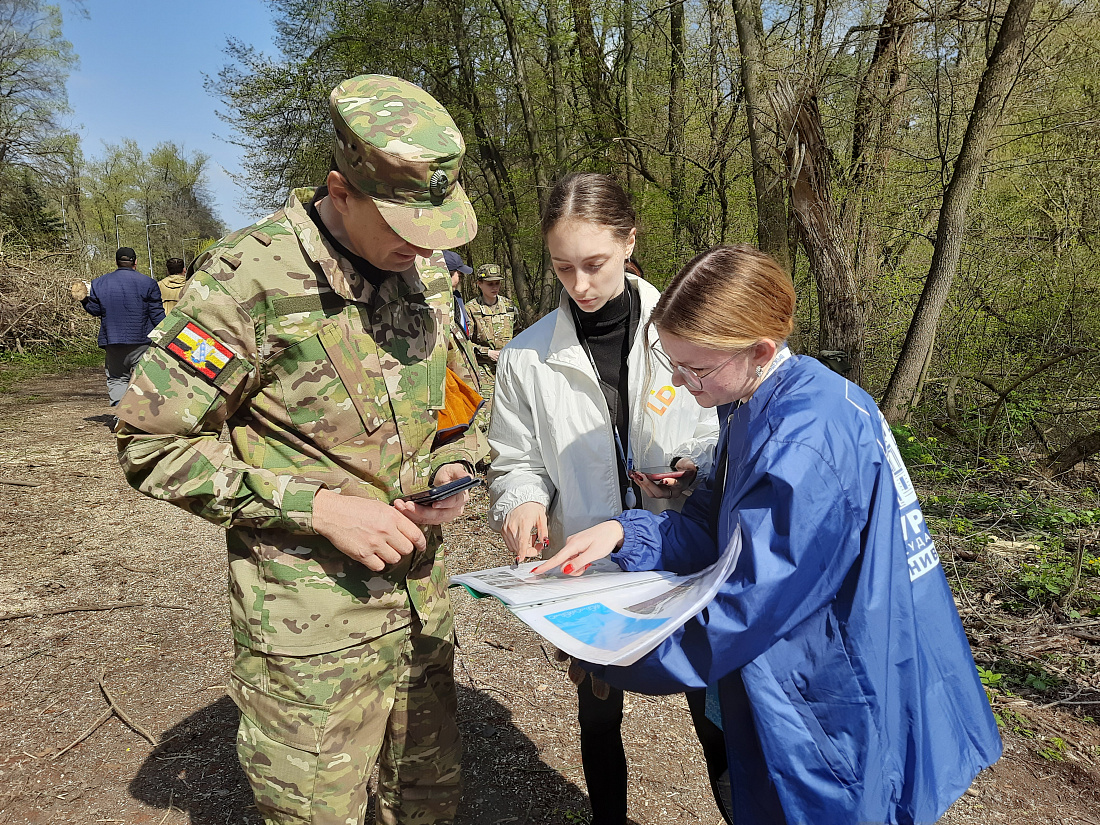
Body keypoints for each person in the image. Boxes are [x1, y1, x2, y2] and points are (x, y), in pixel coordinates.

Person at [114, 75, 486, 825]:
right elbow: (152, 443)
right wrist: (316, 508)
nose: (422, 245)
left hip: (420, 617)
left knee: (428, 808)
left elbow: (456, 407)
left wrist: (455, 464)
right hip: (312, 643)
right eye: (402, 223)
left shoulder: (428, 275)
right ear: (341, 189)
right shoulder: (246, 279)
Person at [535, 245, 1004, 824]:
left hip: (834, 698)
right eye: (671, 362)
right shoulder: (754, 401)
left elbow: (740, 610)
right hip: (812, 678)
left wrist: (607, 652)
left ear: (759, 349)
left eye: (695, 369)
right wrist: (620, 534)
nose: (680, 384)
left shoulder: (803, 442)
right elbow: (714, 528)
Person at [487, 172, 729, 825]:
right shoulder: (526, 358)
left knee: (716, 717)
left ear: (629, 240)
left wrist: (694, 468)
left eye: (594, 264)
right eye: (563, 268)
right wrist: (522, 503)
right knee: (598, 711)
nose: (581, 285)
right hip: (589, 567)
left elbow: (720, 431)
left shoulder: (689, 332)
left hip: (685, 558)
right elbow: (516, 460)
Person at [75, 247, 165, 406]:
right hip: (142, 341)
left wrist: (84, 300)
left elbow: (96, 311)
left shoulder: (99, 283)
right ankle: (143, 416)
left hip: (113, 340)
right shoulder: (148, 283)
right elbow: (156, 314)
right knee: (144, 379)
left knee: (117, 379)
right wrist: (168, 335)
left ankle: (121, 416)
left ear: (116, 262)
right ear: (135, 262)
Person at [465, 262, 517, 392]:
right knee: (486, 411)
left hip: (509, 368)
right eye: (490, 283)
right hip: (484, 372)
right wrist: (487, 352)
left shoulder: (509, 306)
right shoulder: (470, 309)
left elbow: (520, 334)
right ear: (479, 284)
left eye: (497, 283)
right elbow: (464, 343)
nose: (495, 287)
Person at [444, 249, 474, 338]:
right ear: (447, 275)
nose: (460, 280)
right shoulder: (431, 302)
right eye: (459, 275)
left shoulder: (457, 297)